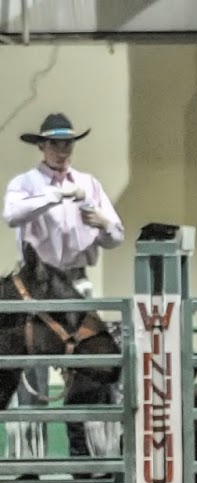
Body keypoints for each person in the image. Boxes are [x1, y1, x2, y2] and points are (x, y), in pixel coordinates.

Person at [3, 112, 124, 465]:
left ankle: (87, 460)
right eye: (55, 144)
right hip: (38, 284)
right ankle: (29, 464)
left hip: (75, 280)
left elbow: (116, 236)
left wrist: (103, 223)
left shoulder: (89, 184)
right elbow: (12, 215)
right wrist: (56, 196)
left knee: (90, 370)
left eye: (67, 143)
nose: (62, 150)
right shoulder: (25, 183)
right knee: (31, 374)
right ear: (42, 146)